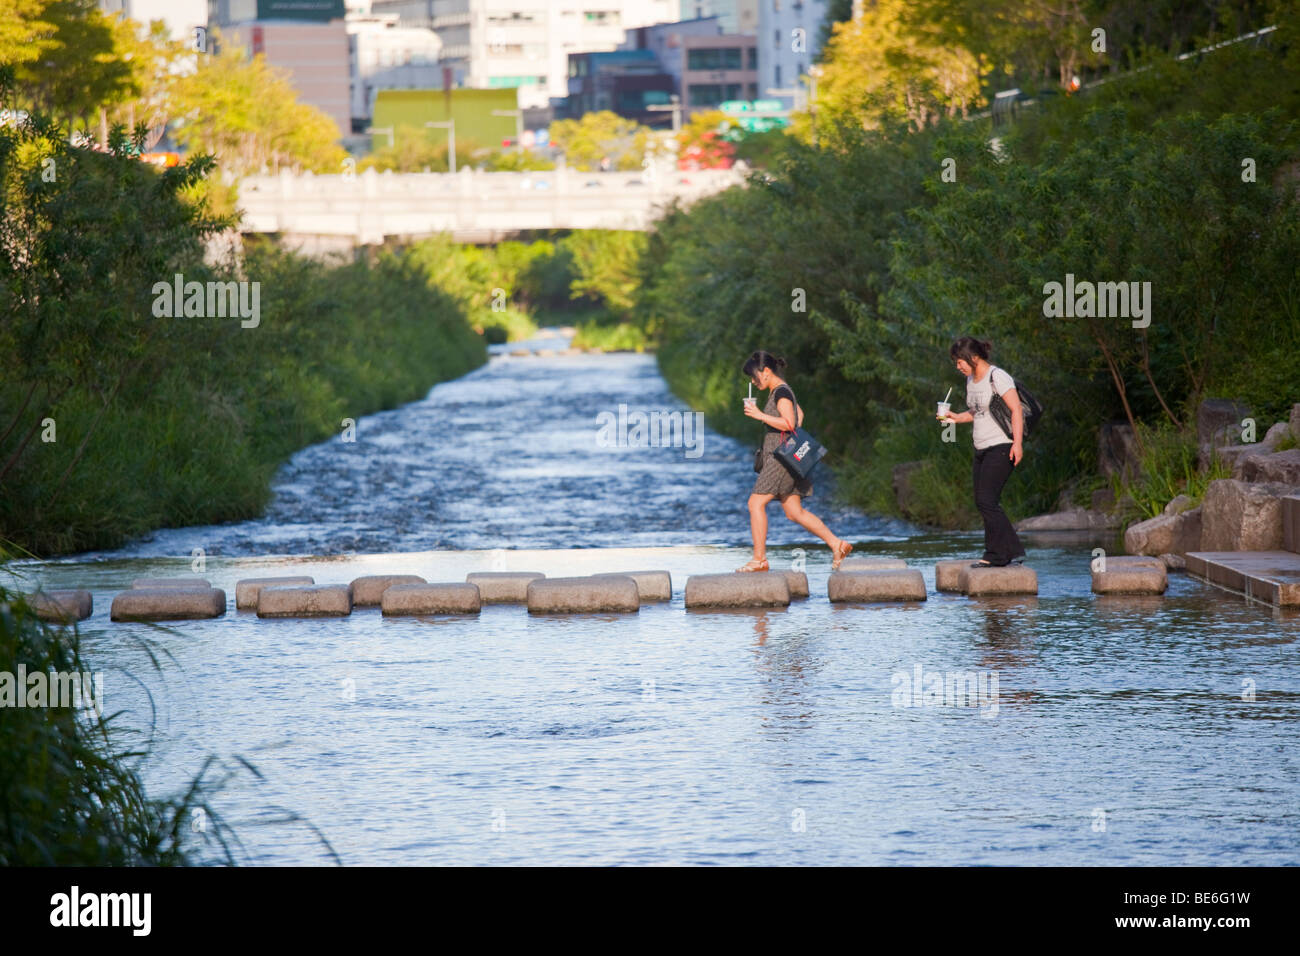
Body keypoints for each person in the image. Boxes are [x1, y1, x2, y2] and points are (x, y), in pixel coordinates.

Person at [738, 350, 853, 572]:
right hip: (788, 458)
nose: (753, 381)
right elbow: (800, 414)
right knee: (793, 511)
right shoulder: (783, 391)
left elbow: (790, 423)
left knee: (755, 504)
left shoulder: (780, 393)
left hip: (780, 460)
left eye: (754, 376)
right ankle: (837, 544)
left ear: (767, 371)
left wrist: (760, 415)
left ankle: (759, 559)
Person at [938, 337, 1027, 568]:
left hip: (1002, 444)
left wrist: (1017, 444)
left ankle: (1000, 554)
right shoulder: (970, 379)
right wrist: (957, 417)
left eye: (960, 361)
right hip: (981, 447)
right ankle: (1000, 551)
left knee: (987, 501)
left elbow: (1016, 409)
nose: (957, 366)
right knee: (983, 502)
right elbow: (978, 411)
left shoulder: (997, 376)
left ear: (974, 357)